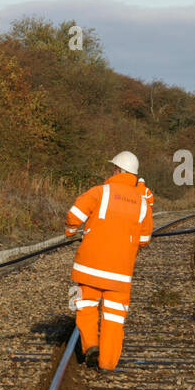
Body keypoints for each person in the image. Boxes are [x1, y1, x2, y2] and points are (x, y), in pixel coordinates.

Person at [65, 151, 153, 370]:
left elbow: (74, 214)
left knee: (86, 307)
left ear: (117, 170)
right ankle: (107, 363)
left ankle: (91, 346)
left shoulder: (100, 192)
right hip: (119, 273)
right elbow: (144, 239)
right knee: (114, 317)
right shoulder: (143, 203)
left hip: (89, 267)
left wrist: (70, 231)